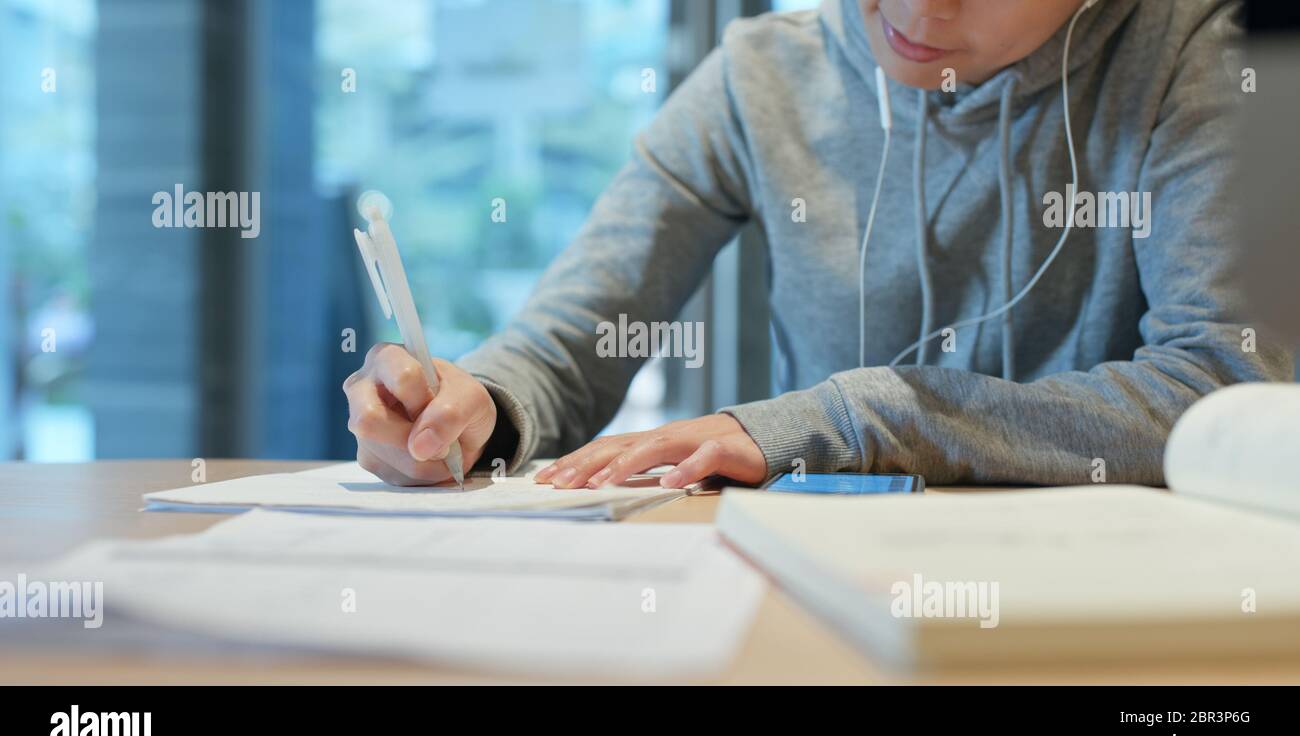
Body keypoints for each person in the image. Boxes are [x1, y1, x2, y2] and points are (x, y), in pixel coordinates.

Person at [342, 0, 1292, 490]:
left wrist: (849, 417)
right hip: (829, 588)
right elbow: (569, 346)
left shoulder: (1209, 54)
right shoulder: (765, 75)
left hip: (1126, 613)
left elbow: (1224, 384)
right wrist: (471, 413)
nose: (919, 11)